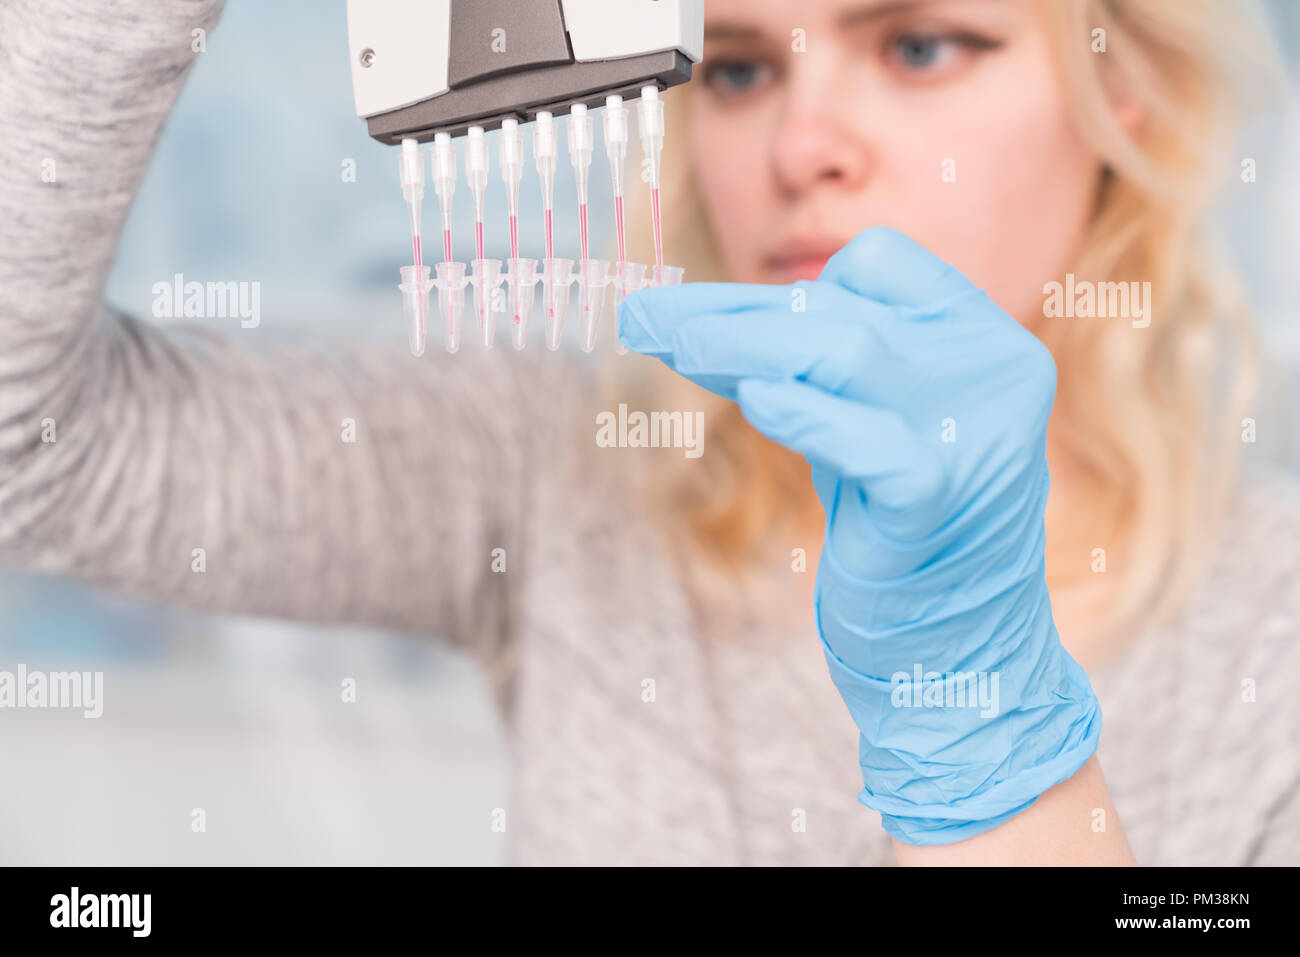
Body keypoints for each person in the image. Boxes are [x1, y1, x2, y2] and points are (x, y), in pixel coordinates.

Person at [1, 0, 1296, 865]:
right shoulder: (551, 472)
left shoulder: (1275, 639)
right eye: (739, 66)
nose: (801, 145)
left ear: (1133, 101)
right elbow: (31, 451)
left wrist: (994, 740)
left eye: (917, 46)